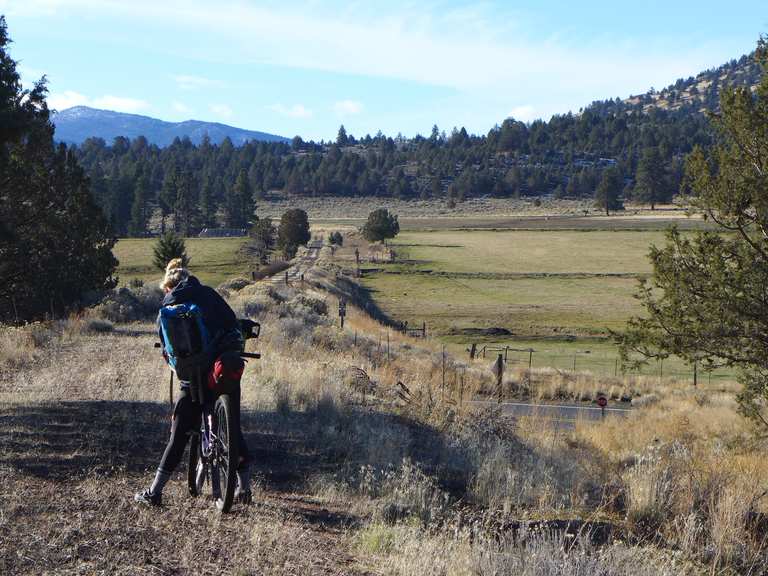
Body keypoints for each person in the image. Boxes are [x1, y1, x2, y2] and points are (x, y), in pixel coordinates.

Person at [135, 258, 252, 507]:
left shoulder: (166, 306)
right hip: (219, 370)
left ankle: (154, 492)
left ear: (168, 286)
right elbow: (233, 326)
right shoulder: (208, 294)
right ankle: (245, 488)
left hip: (191, 377)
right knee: (232, 428)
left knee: (178, 437)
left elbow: (168, 351)